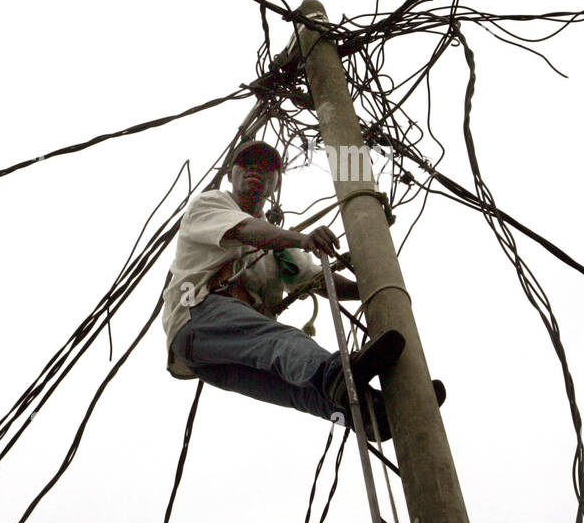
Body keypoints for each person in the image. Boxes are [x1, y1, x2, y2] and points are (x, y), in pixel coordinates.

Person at [161, 140, 406, 436]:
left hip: (217, 357)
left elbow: (319, 281)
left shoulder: (277, 246)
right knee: (283, 344)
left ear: (275, 185)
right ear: (230, 173)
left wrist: (376, 287)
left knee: (298, 389)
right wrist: (303, 239)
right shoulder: (211, 203)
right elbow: (246, 231)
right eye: (247, 164)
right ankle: (336, 373)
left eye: (267, 169)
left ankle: (372, 415)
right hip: (197, 316)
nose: (256, 171)